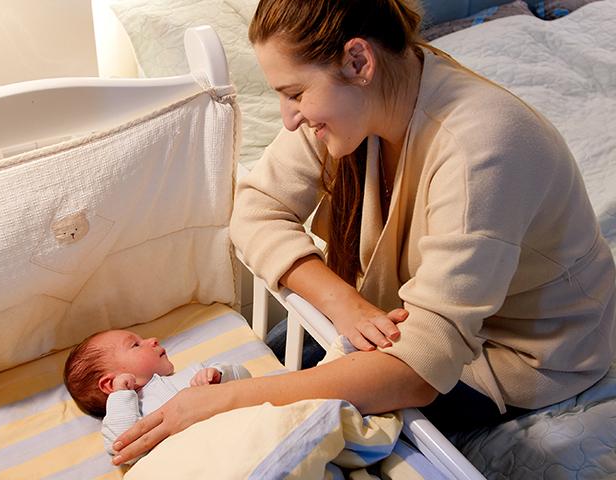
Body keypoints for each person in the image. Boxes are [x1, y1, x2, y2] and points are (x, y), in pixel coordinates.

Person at [108, 0, 616, 465]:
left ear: (358, 61)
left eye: (295, 93)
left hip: (517, 350)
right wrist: (344, 303)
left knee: (298, 424)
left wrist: (227, 402)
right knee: (277, 362)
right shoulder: (358, 104)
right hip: (406, 313)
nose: (289, 119)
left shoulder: (482, 149)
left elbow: (418, 368)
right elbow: (256, 208)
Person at [63, 329, 251, 462]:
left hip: (240, 442)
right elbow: (122, 447)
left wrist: (219, 375)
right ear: (110, 384)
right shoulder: (128, 413)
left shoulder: (194, 373)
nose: (152, 339)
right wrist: (122, 395)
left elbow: (247, 384)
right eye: (135, 344)